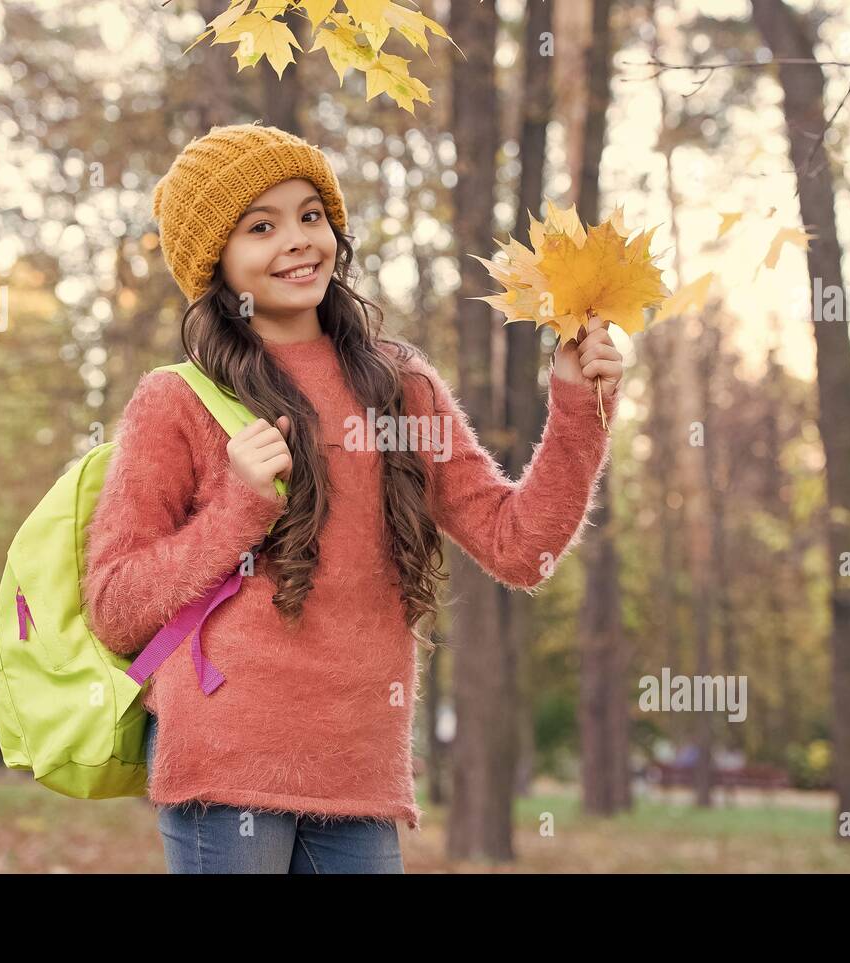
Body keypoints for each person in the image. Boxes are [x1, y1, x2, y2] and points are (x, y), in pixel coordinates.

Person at [82, 121, 624, 873]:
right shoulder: (175, 401)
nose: (299, 240)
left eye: (311, 215)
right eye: (261, 226)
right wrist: (237, 507)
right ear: (216, 262)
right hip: (227, 767)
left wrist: (576, 406)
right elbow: (113, 604)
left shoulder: (400, 386)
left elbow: (518, 547)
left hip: (361, 776)